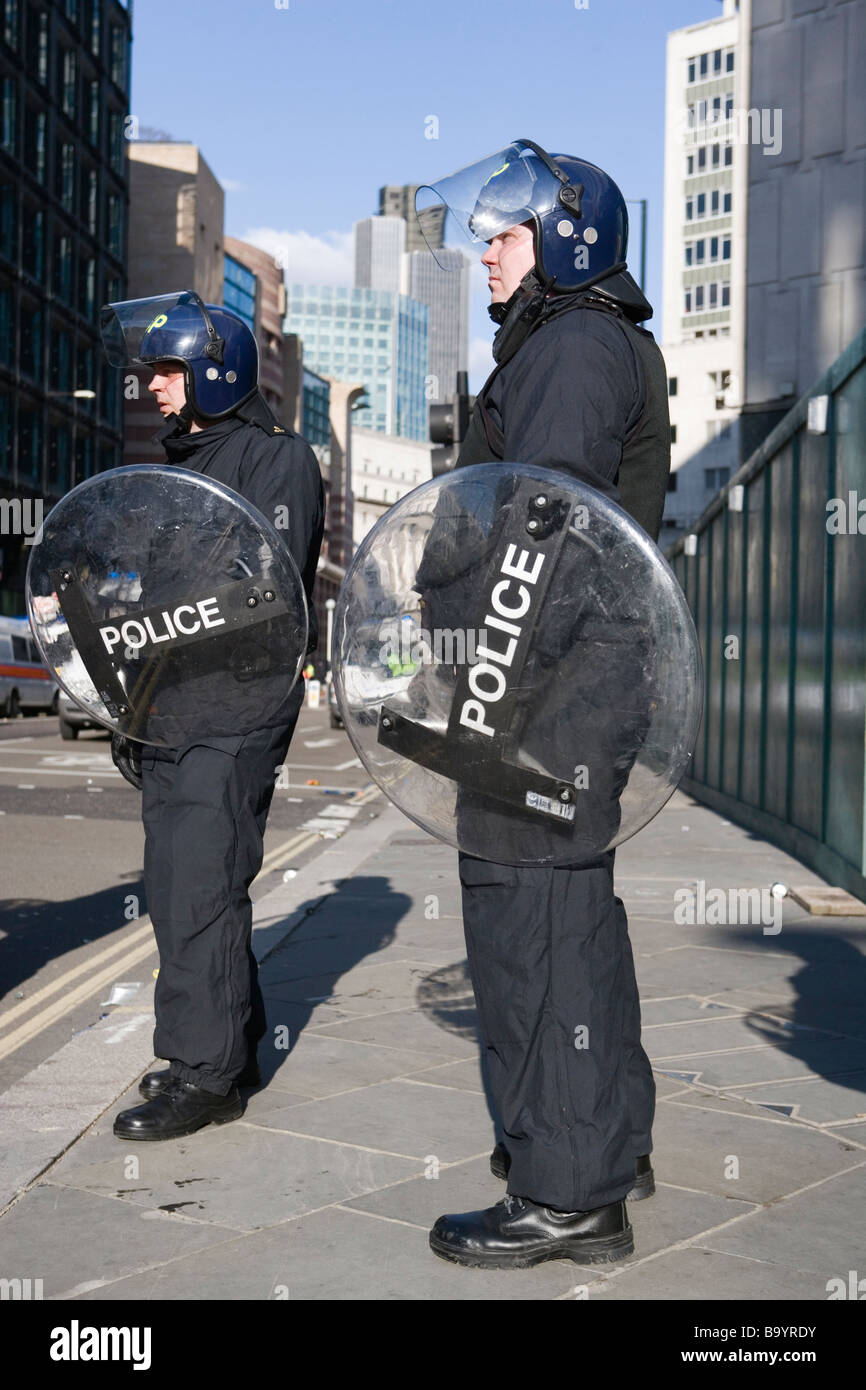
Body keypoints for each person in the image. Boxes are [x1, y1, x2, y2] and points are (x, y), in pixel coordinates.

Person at [417, 141, 671, 1268]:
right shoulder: (576, 341)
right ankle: (602, 1136)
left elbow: (545, 533)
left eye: (502, 235)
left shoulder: (568, 346)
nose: (483, 253)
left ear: (563, 239)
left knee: (531, 923)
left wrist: (483, 685)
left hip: (546, 687)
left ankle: (567, 1191)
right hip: (570, 680)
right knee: (572, 912)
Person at [100, 292, 324, 1141]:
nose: (152, 388)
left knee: (200, 881)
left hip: (232, 706)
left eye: (167, 371)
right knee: (177, 882)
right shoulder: (179, 466)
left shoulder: (276, 460)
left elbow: (264, 592)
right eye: (151, 371)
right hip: (172, 709)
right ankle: (229, 1038)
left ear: (214, 372)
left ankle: (205, 1077)